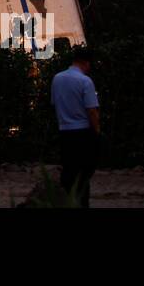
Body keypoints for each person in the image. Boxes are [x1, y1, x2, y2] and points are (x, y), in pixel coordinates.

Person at [51, 47, 100, 206]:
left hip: (64, 131)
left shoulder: (57, 79)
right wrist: (97, 131)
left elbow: (54, 104)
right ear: (86, 63)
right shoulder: (86, 81)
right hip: (82, 132)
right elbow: (92, 110)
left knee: (68, 171)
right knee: (84, 174)